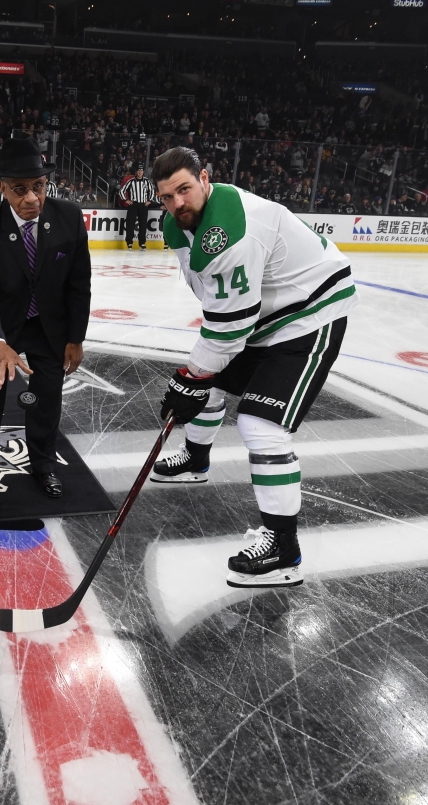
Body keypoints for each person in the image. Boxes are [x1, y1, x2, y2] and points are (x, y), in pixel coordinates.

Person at [150, 147, 357, 589]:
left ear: (206, 179)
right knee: (211, 384)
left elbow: (227, 330)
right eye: (166, 196)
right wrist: (199, 377)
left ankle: (284, 550)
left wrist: (188, 377)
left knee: (261, 426)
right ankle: (195, 458)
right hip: (263, 316)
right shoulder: (178, 224)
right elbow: (215, 302)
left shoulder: (232, 230)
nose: (177, 204)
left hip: (309, 313)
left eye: (185, 190)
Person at [0, 136, 92, 500]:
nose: (32, 198)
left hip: (51, 328)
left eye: (39, 186)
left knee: (47, 398)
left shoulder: (68, 218)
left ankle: (44, 465)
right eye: (20, 189)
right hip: (2, 329)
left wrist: (76, 337)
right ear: (2, 188)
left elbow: (80, 284)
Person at [120, 166, 155, 250]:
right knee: (130, 224)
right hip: (133, 204)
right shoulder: (131, 181)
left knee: (143, 224)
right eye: (138, 170)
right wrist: (126, 200)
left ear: (143, 172)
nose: (140, 172)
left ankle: (142, 242)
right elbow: (122, 191)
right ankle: (129, 242)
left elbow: (152, 191)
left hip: (143, 205)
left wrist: (149, 200)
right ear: (136, 172)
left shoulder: (147, 181)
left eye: (141, 170)